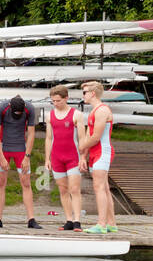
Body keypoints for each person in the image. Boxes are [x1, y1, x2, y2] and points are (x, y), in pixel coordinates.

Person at [0, 94, 40, 229]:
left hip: (20, 148)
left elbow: (31, 134)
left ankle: (31, 219)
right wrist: (1, 157)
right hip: (3, 147)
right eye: (15, 113)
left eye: (20, 113)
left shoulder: (30, 109)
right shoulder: (1, 108)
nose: (18, 115)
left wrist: (27, 156)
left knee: (26, 183)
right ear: (10, 107)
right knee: (1, 183)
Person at [77, 80, 117, 233]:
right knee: (104, 188)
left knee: (99, 187)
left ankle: (101, 224)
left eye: (85, 92)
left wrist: (81, 146)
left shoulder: (102, 110)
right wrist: (83, 156)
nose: (83, 96)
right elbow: (89, 134)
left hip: (102, 151)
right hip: (94, 152)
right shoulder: (93, 111)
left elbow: (96, 137)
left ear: (92, 93)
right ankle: (111, 223)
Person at [44, 85, 84, 231]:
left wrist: (83, 157)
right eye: (53, 101)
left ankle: (77, 220)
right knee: (63, 189)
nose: (56, 103)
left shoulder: (76, 115)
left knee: (74, 189)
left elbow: (82, 138)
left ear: (66, 98)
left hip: (73, 156)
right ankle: (68, 220)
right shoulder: (50, 116)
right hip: (56, 157)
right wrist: (47, 159)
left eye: (58, 101)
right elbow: (48, 138)